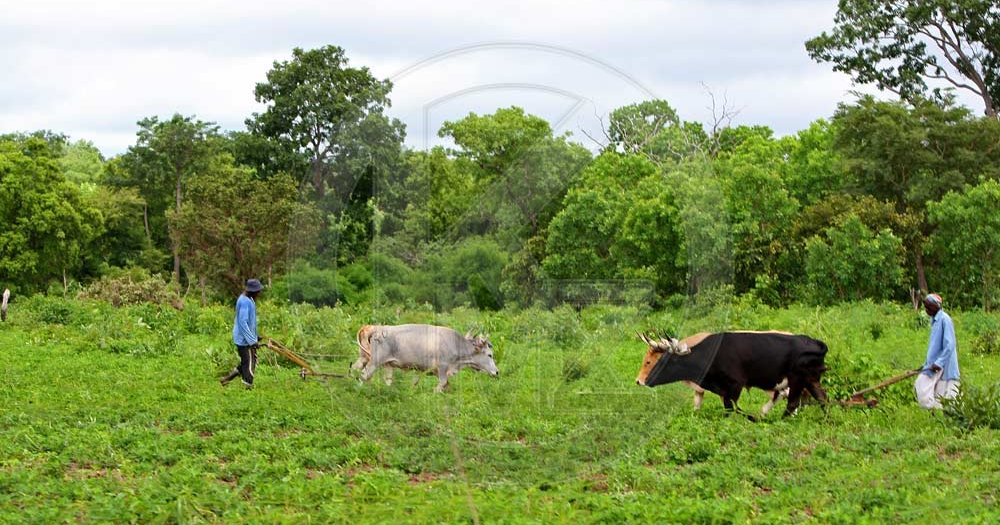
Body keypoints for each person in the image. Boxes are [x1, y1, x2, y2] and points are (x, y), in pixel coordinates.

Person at [914, 293, 960, 409]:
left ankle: (939, 414)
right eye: (926, 307)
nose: (927, 310)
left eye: (929, 307)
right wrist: (925, 365)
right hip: (933, 365)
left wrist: (939, 363)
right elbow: (934, 348)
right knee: (935, 393)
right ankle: (934, 415)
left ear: (936, 307)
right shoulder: (935, 321)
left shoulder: (945, 319)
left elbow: (950, 345)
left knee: (945, 395)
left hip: (943, 365)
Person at [221, 279, 264, 388]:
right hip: (244, 341)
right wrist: (252, 341)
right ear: (252, 291)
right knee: (250, 363)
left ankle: (228, 378)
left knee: (246, 361)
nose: (259, 293)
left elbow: (250, 322)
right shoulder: (245, 302)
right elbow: (243, 322)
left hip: (243, 338)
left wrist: (255, 337)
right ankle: (247, 386)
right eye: (258, 291)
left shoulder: (249, 299)